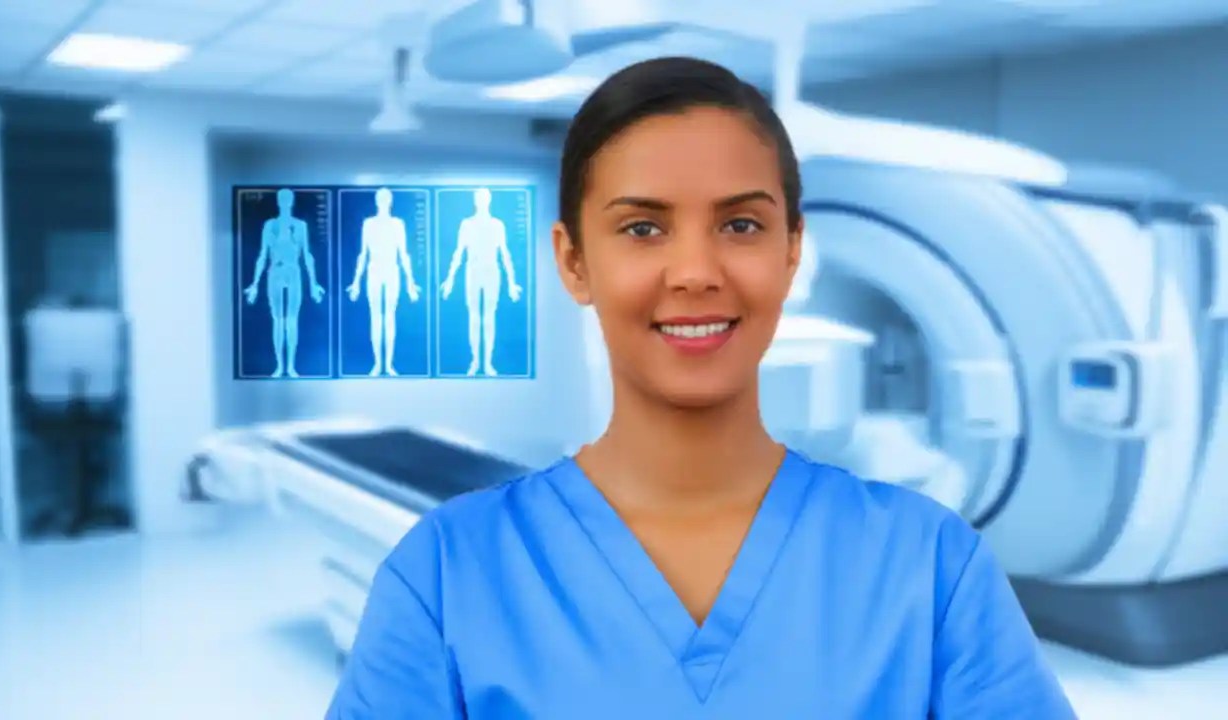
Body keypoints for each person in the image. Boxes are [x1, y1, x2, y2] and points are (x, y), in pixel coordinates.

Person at [326, 57, 1077, 719]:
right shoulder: (447, 575)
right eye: (643, 229)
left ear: (792, 254)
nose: (695, 271)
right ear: (573, 261)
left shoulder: (931, 567)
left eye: (742, 225)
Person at [439, 187, 523, 376]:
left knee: (489, 318)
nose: (482, 201)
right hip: (473, 272)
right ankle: (476, 361)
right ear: (476, 201)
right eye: (479, 198)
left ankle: (488, 363)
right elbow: (458, 252)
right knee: (475, 318)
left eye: (484, 198)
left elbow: (504, 253)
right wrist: (450, 278)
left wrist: (511, 282)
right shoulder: (467, 224)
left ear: (489, 201)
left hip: (492, 271)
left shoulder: (497, 225)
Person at [244, 188, 325, 378]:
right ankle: (280, 366)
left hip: (293, 271)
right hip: (276, 272)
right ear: (279, 201)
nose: (285, 201)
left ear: (292, 201)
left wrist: (313, 283)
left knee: (291, 320)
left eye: (288, 198)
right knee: (279, 320)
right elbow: (263, 255)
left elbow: (307, 255)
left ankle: (291, 366)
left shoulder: (300, 226)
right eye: (282, 198)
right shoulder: (270, 225)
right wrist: (255, 283)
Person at [347, 187, 421, 376]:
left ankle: (387, 364)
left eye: (386, 198)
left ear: (390, 201)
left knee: (388, 317)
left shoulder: (397, 224)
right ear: (377, 201)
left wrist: (410, 282)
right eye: (381, 198)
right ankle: (378, 364)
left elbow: (404, 254)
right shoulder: (369, 224)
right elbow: (363, 254)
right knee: (376, 318)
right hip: (375, 270)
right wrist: (356, 281)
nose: (383, 201)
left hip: (391, 271)